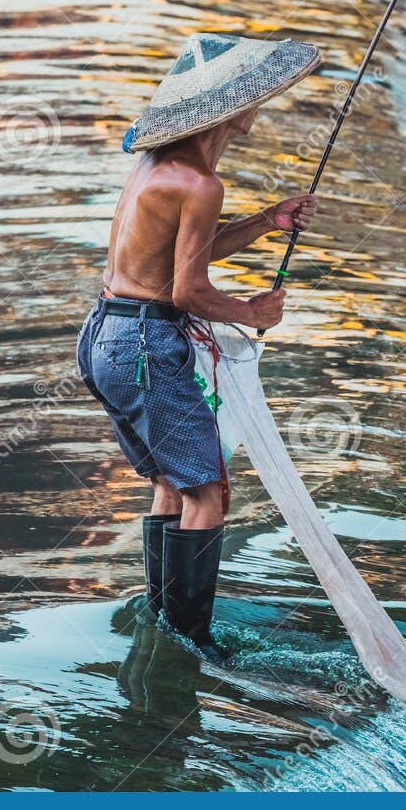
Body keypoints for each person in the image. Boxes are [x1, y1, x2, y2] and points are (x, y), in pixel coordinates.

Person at [77, 32, 321, 652]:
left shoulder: (162, 167)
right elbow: (187, 293)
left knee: (172, 484)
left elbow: (178, 259)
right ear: (232, 110)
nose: (257, 106)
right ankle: (192, 642)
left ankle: (164, 621)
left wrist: (269, 221)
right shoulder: (200, 184)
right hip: (145, 345)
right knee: (207, 492)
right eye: (252, 98)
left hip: (105, 336)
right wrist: (253, 312)